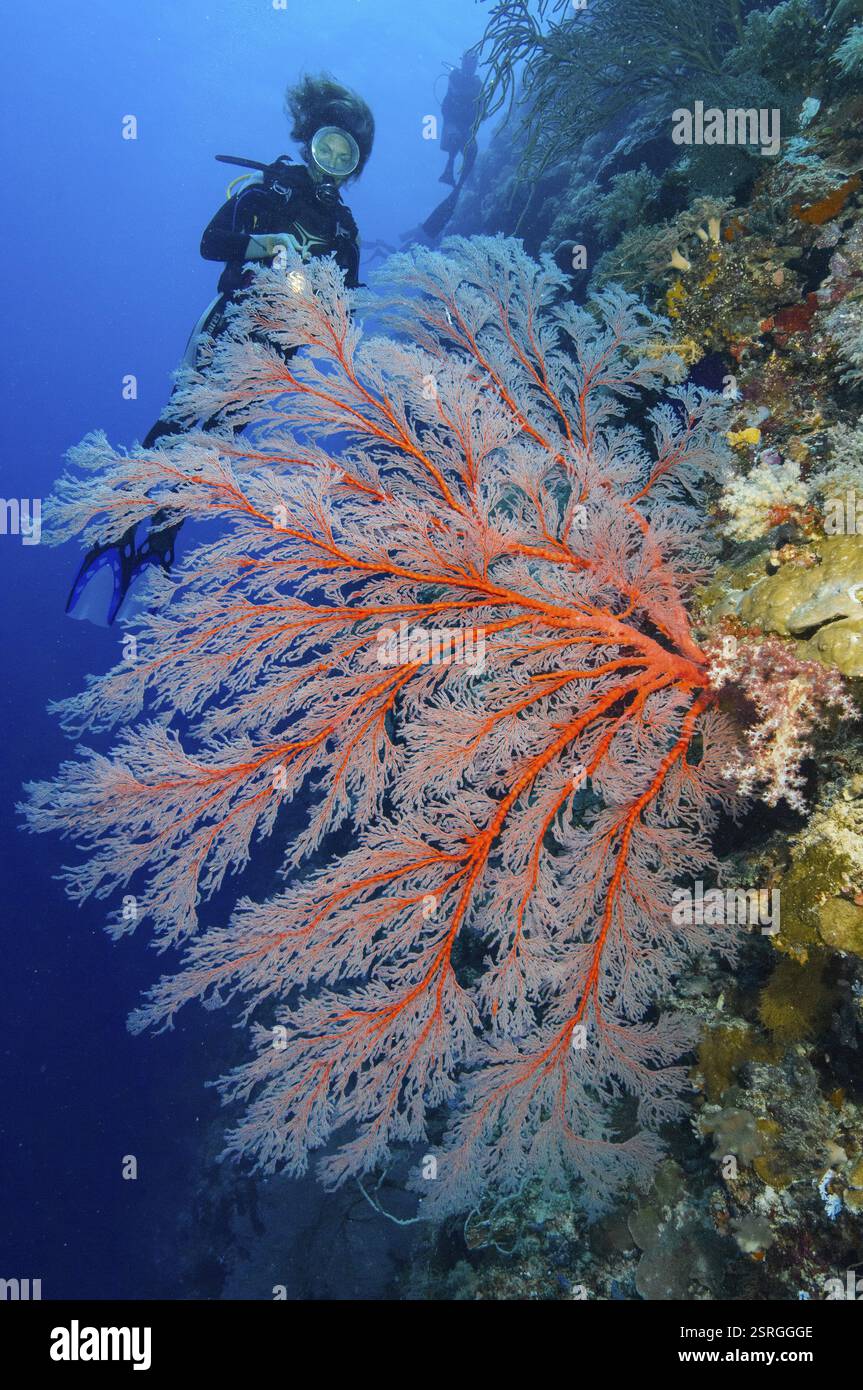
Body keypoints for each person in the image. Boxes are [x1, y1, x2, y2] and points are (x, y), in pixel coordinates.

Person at [67, 74, 374, 625]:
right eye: (325, 143)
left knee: (212, 454)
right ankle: (114, 531)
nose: (331, 157)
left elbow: (344, 309)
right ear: (309, 142)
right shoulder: (269, 191)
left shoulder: (345, 232)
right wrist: (268, 245)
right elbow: (211, 244)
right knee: (177, 426)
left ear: (355, 165)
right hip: (226, 328)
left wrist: (330, 301)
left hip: (271, 358)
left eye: (344, 153)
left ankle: (159, 544)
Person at [439, 52, 482, 187]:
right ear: (463, 63)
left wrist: (481, 113)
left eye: (472, 64)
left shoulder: (477, 83)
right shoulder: (455, 76)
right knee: (454, 138)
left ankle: (462, 182)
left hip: (466, 125)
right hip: (452, 121)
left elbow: (481, 107)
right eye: (467, 63)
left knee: (473, 149)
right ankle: (449, 170)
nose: (470, 66)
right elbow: (453, 94)